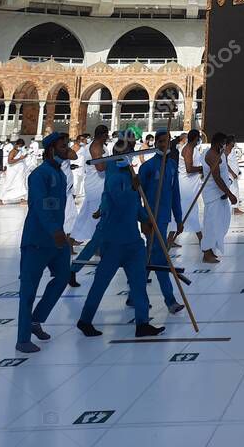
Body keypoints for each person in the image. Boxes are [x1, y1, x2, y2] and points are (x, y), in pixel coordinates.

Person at [76, 132, 164, 339]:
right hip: (114, 240)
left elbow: (134, 205)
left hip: (132, 241)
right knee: (101, 282)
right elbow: (119, 201)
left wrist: (146, 218)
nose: (132, 152)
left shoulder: (128, 172)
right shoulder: (115, 173)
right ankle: (85, 320)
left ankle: (142, 323)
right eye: (129, 149)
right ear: (119, 151)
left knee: (139, 283)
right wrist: (132, 188)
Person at [15, 131, 72, 354]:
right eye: (62, 146)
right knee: (28, 290)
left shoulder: (61, 174)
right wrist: (53, 230)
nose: (66, 149)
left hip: (57, 240)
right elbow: (39, 205)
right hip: (37, 240)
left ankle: (36, 320)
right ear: (50, 150)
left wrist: (61, 232)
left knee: (63, 277)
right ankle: (22, 339)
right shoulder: (39, 175)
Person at [139, 129, 184, 314]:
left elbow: (175, 194)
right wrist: (142, 218)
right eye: (161, 141)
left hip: (164, 218)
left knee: (151, 257)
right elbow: (137, 194)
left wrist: (179, 218)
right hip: (151, 219)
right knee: (161, 259)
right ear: (156, 142)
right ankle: (170, 300)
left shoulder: (172, 165)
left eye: (167, 141)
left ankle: (134, 295)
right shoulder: (147, 167)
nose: (164, 144)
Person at [201, 132, 236, 263]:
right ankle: (206, 253)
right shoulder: (211, 155)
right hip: (213, 195)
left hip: (220, 194)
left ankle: (211, 250)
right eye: (223, 143)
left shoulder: (219, 153)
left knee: (221, 222)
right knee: (211, 224)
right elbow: (216, 178)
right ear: (217, 143)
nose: (224, 146)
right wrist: (230, 194)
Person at [70, 125, 109, 242]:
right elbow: (100, 167)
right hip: (95, 184)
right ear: (103, 135)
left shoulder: (102, 146)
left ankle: (74, 238)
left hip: (100, 182)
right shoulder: (95, 147)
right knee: (96, 213)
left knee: (86, 213)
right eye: (106, 135)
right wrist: (113, 162)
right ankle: (95, 242)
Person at [178, 129, 204, 241]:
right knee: (189, 210)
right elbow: (189, 169)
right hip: (186, 186)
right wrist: (202, 169)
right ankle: (202, 242)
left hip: (191, 185)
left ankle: (169, 241)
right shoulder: (188, 149)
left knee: (190, 210)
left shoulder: (193, 148)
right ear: (196, 138)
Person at [0, 138, 28, 205]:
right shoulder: (13, 151)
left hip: (19, 172)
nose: (19, 147)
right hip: (13, 172)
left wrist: (24, 157)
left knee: (21, 184)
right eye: (19, 146)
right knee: (8, 184)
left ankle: (22, 199)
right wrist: (20, 158)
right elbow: (10, 161)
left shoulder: (20, 151)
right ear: (16, 144)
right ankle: (1, 199)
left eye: (21, 146)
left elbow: (22, 158)